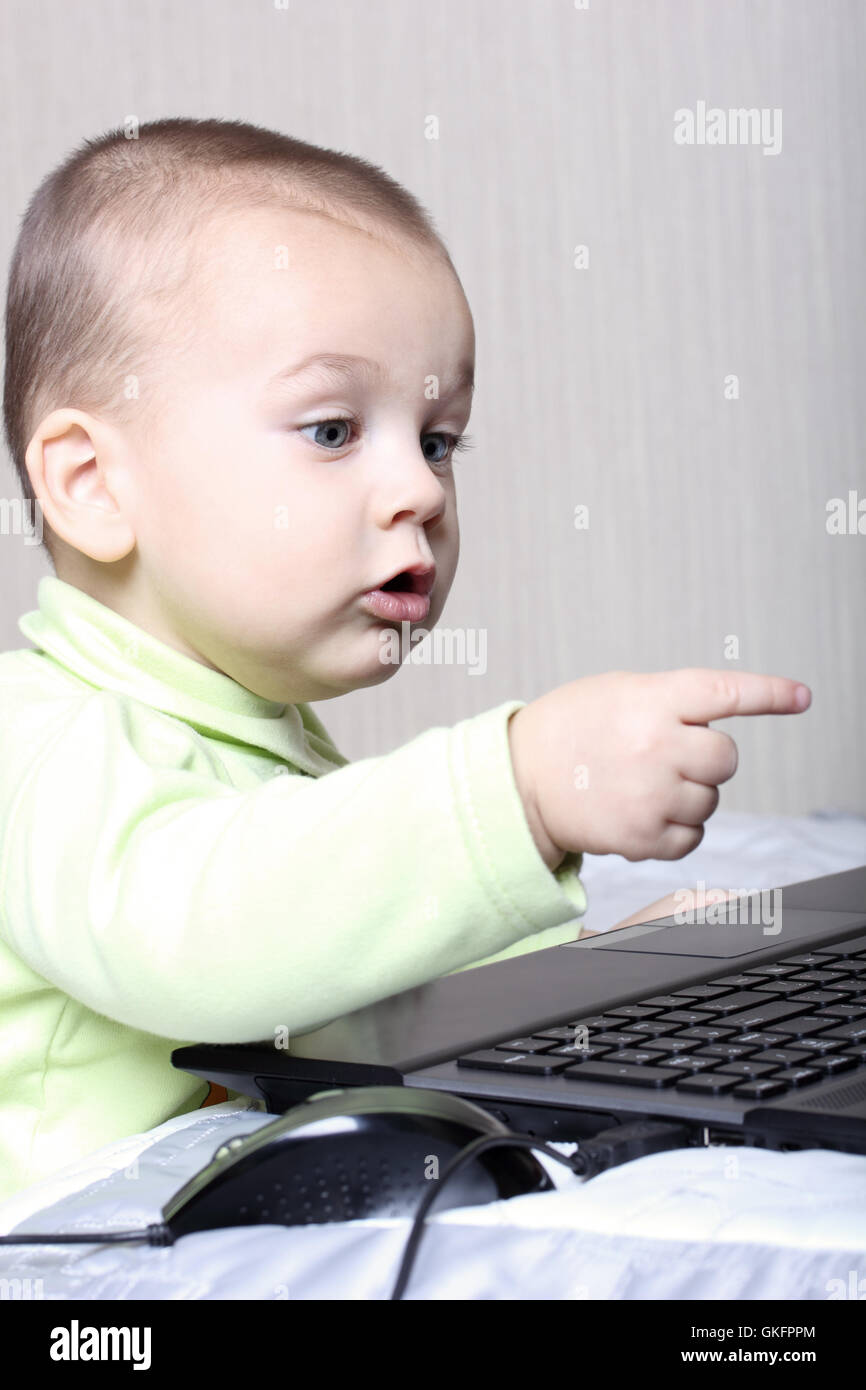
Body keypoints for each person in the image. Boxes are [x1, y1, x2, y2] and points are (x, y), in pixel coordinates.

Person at [0, 118, 810, 1200]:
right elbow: (202, 941)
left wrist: (603, 971)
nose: (422, 490)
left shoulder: (261, 742)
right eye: (333, 430)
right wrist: (511, 789)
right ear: (94, 485)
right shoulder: (39, 738)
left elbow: (355, 980)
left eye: (437, 439)